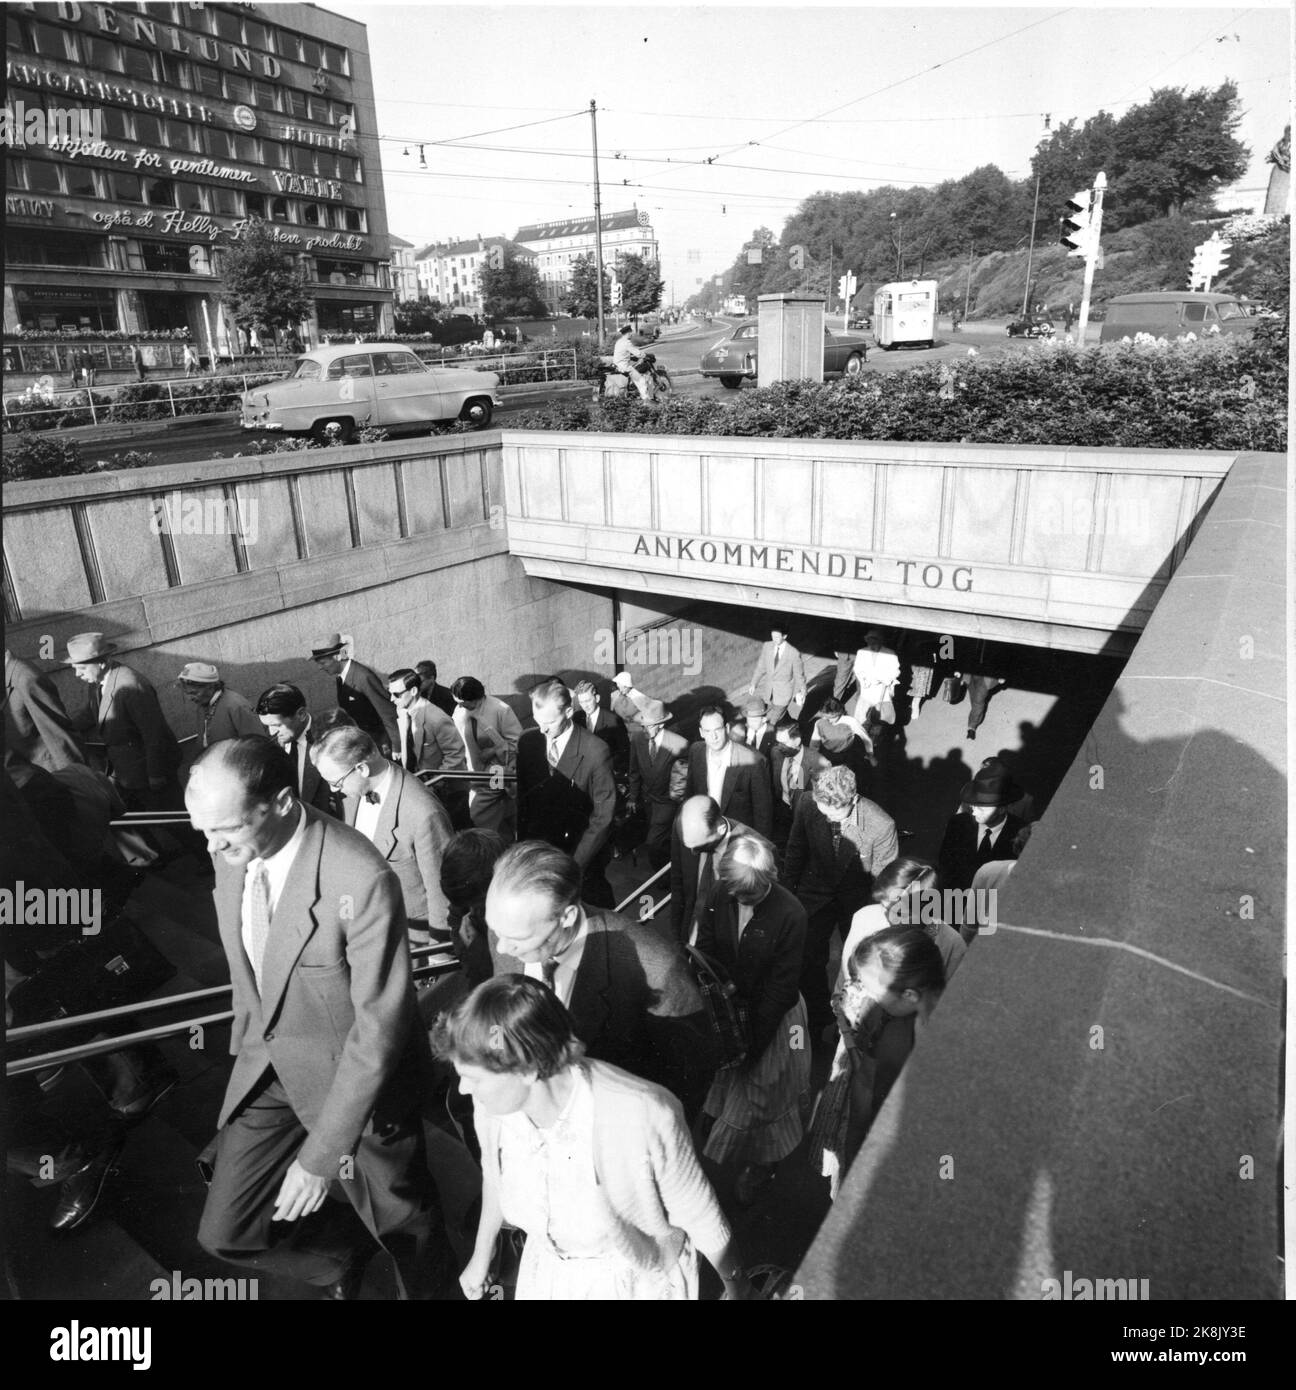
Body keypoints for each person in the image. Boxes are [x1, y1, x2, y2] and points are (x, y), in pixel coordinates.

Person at [187, 737, 451, 1299]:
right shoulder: (230, 849)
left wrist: (322, 1156)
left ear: (283, 802)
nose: (209, 845)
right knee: (224, 1234)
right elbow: (248, 965)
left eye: (225, 829)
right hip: (274, 1069)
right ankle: (340, 1257)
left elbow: (378, 1028)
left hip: (359, 1090)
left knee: (410, 1234)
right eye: (203, 829)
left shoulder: (359, 878)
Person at [439, 976, 747, 1300]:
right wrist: (481, 1253)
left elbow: (700, 1216)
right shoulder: (493, 1107)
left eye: (473, 1078)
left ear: (527, 1070)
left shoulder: (642, 1112)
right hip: (549, 1275)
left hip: (634, 1283)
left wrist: (739, 1288)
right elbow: (495, 1176)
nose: (463, 1089)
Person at [486, 841, 718, 1118]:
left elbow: (690, 1080)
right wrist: (495, 1052)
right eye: (495, 931)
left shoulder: (658, 969)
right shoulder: (506, 927)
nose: (501, 947)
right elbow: (495, 1013)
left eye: (518, 939)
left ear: (567, 917)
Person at [696, 831, 810, 1208]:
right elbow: (706, 951)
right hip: (729, 1008)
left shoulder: (791, 913)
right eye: (735, 894)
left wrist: (752, 1047)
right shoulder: (720, 893)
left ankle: (764, 1165)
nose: (739, 900)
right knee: (727, 1089)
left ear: (767, 882)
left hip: (773, 1020)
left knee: (766, 1096)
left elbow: (780, 990)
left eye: (748, 895)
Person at [808, 926, 945, 1199]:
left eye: (873, 989)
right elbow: (865, 1083)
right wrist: (853, 1152)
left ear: (910, 996)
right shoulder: (877, 1014)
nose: (866, 996)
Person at [311, 725, 454, 953]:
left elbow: (441, 893)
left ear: (362, 769)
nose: (334, 790)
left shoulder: (423, 813)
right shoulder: (352, 794)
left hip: (410, 940)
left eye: (336, 783)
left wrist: (440, 952)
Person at [783, 764, 899, 1037]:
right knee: (808, 959)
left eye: (835, 812)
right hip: (815, 893)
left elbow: (884, 883)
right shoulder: (808, 803)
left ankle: (853, 1022)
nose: (827, 818)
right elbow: (796, 848)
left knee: (860, 964)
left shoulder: (882, 825)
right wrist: (789, 893)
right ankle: (817, 1017)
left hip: (859, 900)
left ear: (854, 799)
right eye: (822, 809)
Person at [515, 678, 617, 908]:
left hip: (580, 855)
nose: (542, 729)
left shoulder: (596, 751)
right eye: (537, 721)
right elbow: (524, 801)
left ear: (569, 712)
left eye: (549, 722)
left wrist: (575, 865)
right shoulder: (528, 742)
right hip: (540, 853)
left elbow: (603, 817)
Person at [66, 633, 181, 812]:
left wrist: (156, 775)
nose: (77, 674)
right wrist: (64, 727)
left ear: (101, 662)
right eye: (74, 668)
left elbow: (154, 733)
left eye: (81, 668)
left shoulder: (131, 686)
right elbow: (91, 713)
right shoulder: (97, 681)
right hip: (125, 772)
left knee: (176, 823)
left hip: (148, 773)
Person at [839, 857, 966, 986]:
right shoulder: (866, 917)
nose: (887, 915)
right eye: (884, 905)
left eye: (899, 912)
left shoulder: (951, 944)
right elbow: (846, 975)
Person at [387, 667, 467, 827]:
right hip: (421, 786)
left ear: (414, 690)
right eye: (389, 693)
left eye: (396, 694)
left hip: (446, 791)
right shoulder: (403, 710)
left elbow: (455, 755)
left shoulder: (436, 718)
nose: (391, 699)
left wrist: (435, 783)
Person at [936, 762, 1029, 893]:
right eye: (973, 806)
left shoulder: (1021, 831)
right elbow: (945, 869)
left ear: (1002, 808)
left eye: (980, 808)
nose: (974, 812)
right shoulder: (958, 823)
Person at [668, 795, 748, 946]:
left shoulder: (755, 853)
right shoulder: (685, 828)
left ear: (721, 829)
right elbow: (677, 884)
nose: (692, 852)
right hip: (690, 934)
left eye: (699, 847)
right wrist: (676, 938)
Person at [684, 705, 773, 839]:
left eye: (717, 730)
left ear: (726, 728)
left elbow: (763, 814)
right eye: (707, 731)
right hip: (705, 834)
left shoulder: (753, 761)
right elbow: (690, 793)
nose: (713, 737)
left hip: (738, 839)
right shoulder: (696, 751)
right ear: (701, 732)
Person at [450, 676, 522, 835]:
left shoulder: (500, 709)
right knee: (500, 813)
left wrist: (493, 750)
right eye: (457, 702)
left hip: (497, 771)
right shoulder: (461, 710)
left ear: (475, 697)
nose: (459, 706)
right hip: (473, 772)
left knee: (480, 814)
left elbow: (517, 741)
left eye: (462, 702)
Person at [255, 682, 336, 817]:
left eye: (277, 725)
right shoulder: (274, 743)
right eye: (267, 726)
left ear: (301, 714)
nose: (272, 732)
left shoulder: (331, 742)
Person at [309, 633, 399, 756]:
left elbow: (388, 714)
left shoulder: (363, 677)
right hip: (366, 743)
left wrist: (397, 747)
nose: (320, 667)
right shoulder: (340, 678)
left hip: (382, 745)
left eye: (323, 663)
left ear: (337, 657)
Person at [625, 698, 688, 870]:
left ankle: (663, 876)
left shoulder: (679, 745)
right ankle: (670, 864)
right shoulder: (638, 740)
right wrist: (633, 796)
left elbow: (683, 779)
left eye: (648, 726)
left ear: (660, 725)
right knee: (661, 839)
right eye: (643, 725)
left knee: (654, 841)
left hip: (668, 802)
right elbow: (634, 771)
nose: (644, 729)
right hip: (648, 800)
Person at [4, 647, 85, 771]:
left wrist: (74, 779)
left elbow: (57, 733)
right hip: (22, 772)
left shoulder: (26, 678)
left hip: (49, 774)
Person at [177, 662, 263, 750]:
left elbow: (257, 744)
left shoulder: (237, 706)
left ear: (210, 687)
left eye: (194, 693)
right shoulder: (202, 706)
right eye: (187, 693)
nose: (189, 698)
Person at [571, 678, 631, 781]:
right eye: (582, 702)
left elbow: (624, 751)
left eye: (588, 700)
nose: (585, 705)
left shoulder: (612, 720)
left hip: (606, 775)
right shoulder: (577, 718)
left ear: (597, 698)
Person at [748, 624, 807, 726]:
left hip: (783, 694)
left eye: (777, 637)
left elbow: (799, 675)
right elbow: (761, 667)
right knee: (781, 715)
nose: (774, 639)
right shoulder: (767, 646)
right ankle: (794, 726)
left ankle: (768, 738)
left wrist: (803, 692)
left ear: (784, 636)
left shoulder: (793, 653)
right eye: (772, 636)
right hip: (769, 692)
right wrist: (754, 683)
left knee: (772, 722)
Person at [851, 629, 901, 726]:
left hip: (882, 687)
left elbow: (896, 671)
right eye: (870, 641)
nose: (872, 644)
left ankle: (882, 729)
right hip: (867, 686)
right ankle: (860, 730)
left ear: (880, 641)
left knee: (883, 715)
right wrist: (865, 680)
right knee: (861, 714)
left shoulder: (890, 653)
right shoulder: (861, 652)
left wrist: (884, 680)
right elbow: (857, 669)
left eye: (875, 641)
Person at [957, 669, 1006, 741]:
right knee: (973, 696)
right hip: (971, 671)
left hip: (987, 674)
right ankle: (974, 719)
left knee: (978, 700)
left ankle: (971, 727)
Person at [611, 323, 653, 402]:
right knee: (641, 381)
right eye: (631, 333)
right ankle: (646, 401)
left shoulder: (619, 342)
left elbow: (623, 353)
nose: (632, 335)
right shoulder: (627, 343)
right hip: (624, 367)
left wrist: (631, 357)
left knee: (634, 371)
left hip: (617, 365)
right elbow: (638, 353)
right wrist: (646, 355)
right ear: (628, 333)